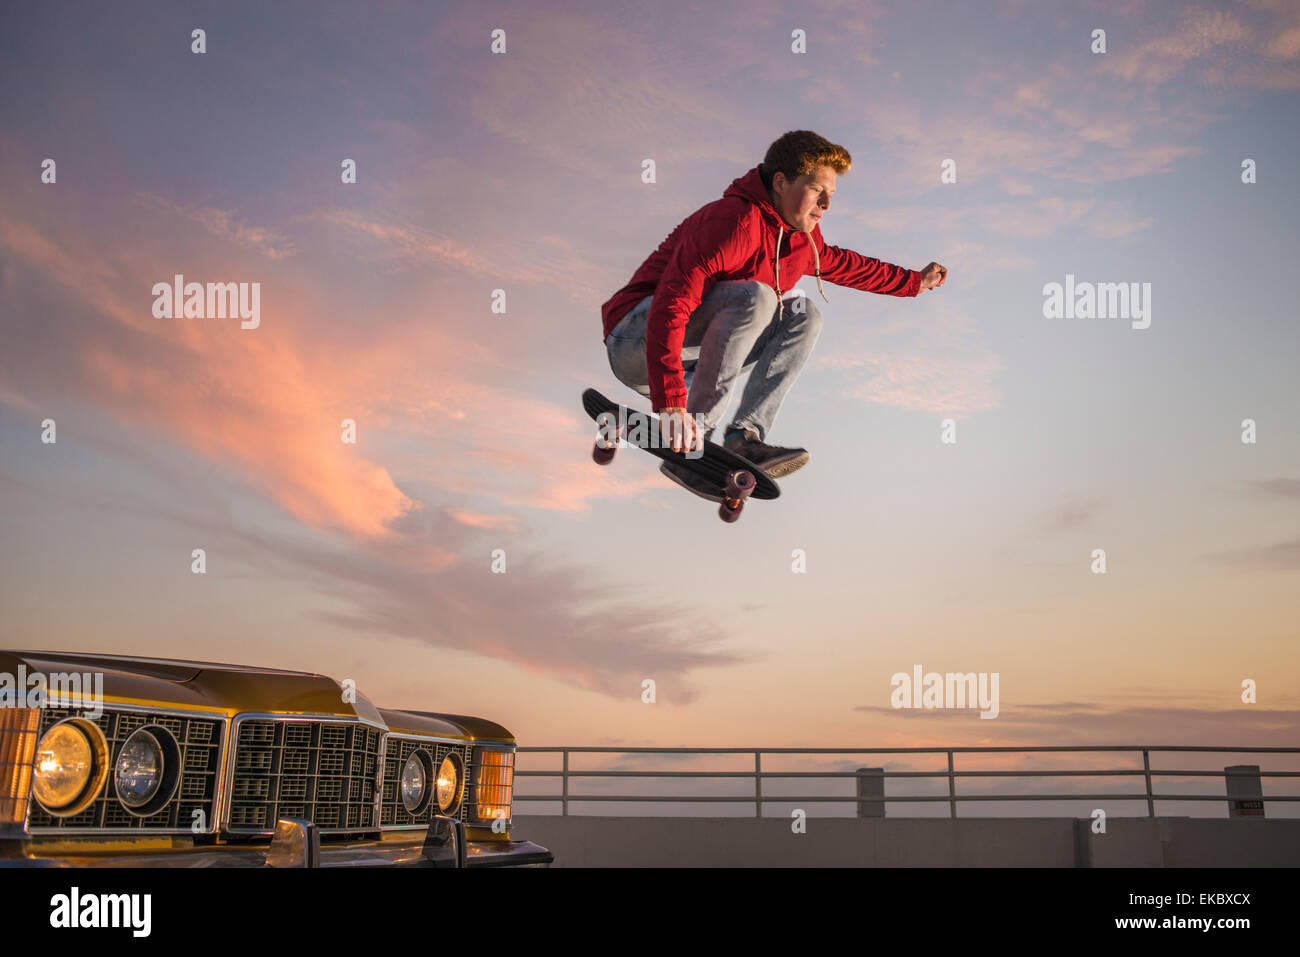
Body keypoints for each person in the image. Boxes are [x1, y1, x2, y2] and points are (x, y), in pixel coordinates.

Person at [600, 130, 948, 501]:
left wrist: (914, 282)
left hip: (690, 364)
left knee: (804, 312)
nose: (827, 204)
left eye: (832, 194)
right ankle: (694, 437)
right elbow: (672, 305)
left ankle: (742, 439)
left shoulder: (804, 241)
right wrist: (670, 404)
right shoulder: (732, 222)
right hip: (634, 341)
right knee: (757, 295)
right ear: (781, 183)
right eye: (817, 190)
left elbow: (851, 266)